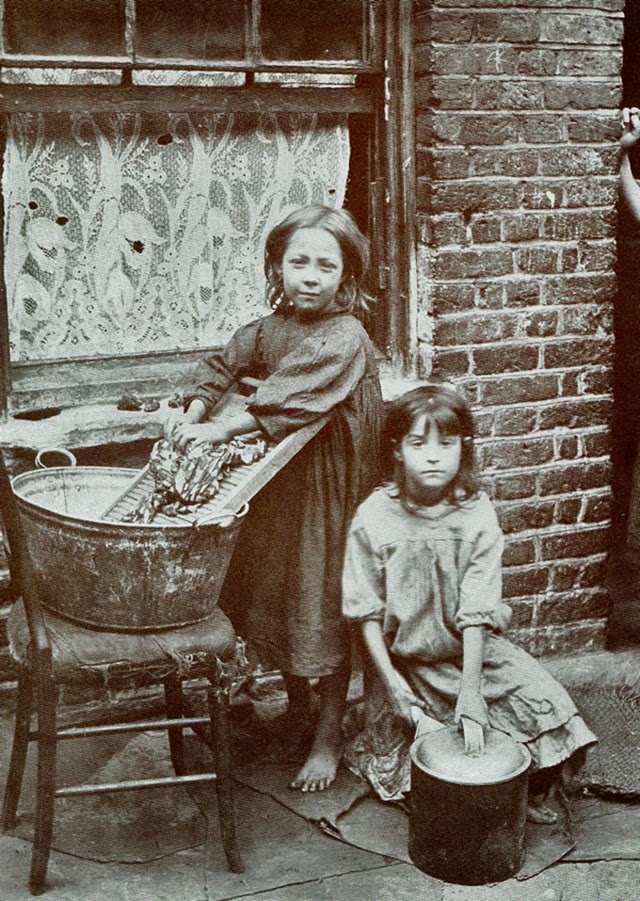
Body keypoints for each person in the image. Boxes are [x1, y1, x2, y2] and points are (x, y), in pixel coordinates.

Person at [164, 204, 384, 792]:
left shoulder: (345, 336)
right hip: (276, 485)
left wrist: (217, 430)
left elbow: (285, 398)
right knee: (279, 592)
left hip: (330, 489)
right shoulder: (267, 329)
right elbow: (223, 364)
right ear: (277, 268)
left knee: (324, 596)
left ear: (348, 278)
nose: (311, 276)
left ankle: (329, 733)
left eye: (326, 266)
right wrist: (196, 410)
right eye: (299, 262)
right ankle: (296, 710)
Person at [341, 383, 596, 821]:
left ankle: (515, 791)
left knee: (546, 705)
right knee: (421, 766)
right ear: (398, 451)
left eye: (447, 442)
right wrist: (394, 687)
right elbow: (364, 611)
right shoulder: (373, 516)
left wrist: (471, 692)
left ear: (465, 447)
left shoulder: (475, 512)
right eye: (418, 443)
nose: (434, 456)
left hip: (471, 654)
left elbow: (477, 610)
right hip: (405, 664)